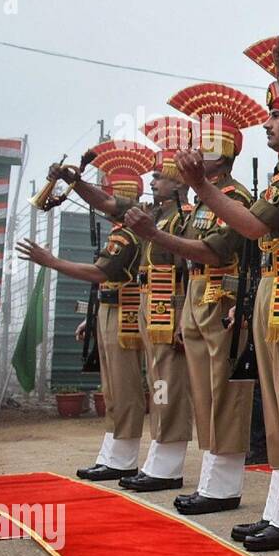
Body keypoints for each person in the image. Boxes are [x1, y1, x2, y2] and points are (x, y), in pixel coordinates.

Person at [165, 38, 279, 551]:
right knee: (277, 404)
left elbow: (248, 226)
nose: (266, 124)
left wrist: (202, 188)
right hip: (276, 284)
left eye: (276, 115)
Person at [125, 84, 265, 516]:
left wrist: (153, 233)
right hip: (197, 296)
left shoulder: (236, 197)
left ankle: (223, 484)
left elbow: (214, 250)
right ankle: (211, 478)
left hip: (221, 297)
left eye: (199, 146)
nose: (187, 154)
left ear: (220, 154)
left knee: (224, 393)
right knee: (204, 393)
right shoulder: (199, 204)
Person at [20, 142, 154, 479]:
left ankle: (122, 457)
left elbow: (98, 274)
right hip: (110, 310)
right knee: (113, 389)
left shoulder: (127, 235)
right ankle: (113, 454)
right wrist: (91, 318)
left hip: (124, 314)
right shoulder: (121, 232)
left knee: (123, 389)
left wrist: (51, 261)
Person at [113, 119, 197, 492]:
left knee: (168, 382)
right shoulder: (160, 215)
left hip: (171, 301)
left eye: (161, 177)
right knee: (157, 379)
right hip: (152, 300)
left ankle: (168, 461)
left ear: (178, 181)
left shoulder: (183, 217)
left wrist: (182, 316)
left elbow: (186, 267)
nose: (153, 182)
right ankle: (158, 454)